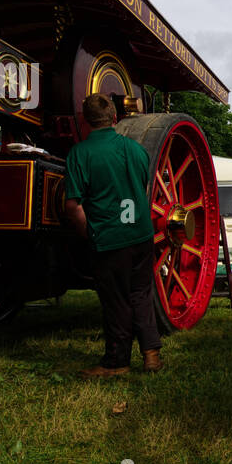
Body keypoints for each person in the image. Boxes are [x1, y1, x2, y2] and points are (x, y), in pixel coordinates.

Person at [63, 94, 163, 378]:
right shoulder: (137, 149)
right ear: (115, 119)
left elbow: (73, 205)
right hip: (142, 234)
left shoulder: (80, 153)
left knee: (115, 300)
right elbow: (141, 185)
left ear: (85, 120)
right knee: (141, 293)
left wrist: (89, 234)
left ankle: (117, 362)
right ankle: (151, 355)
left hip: (109, 237)